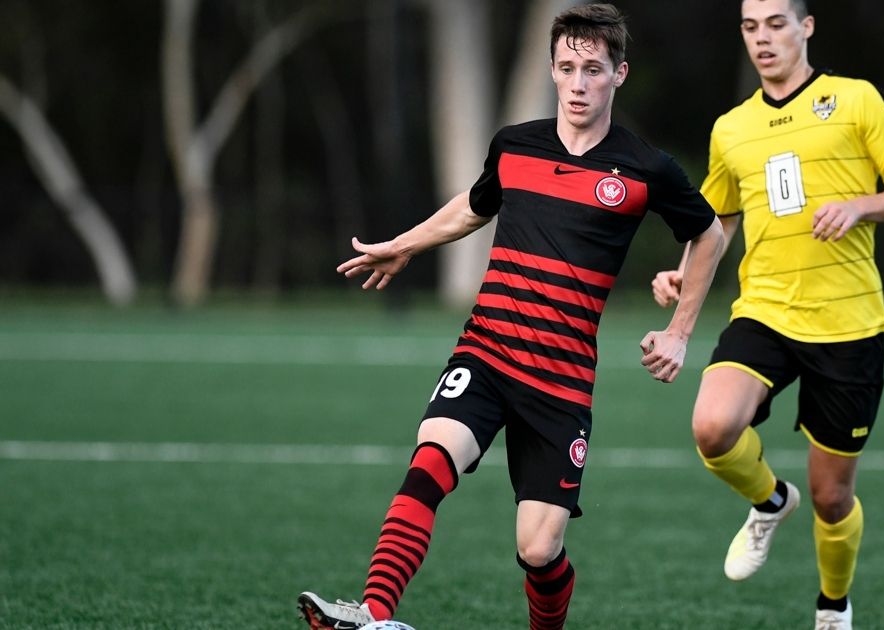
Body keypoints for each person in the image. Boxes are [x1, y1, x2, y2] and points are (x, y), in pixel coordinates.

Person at [297, 4, 724, 629]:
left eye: (594, 70)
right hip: (487, 350)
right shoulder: (515, 145)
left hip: (561, 379)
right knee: (431, 456)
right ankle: (373, 614)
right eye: (568, 67)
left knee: (538, 548)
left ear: (620, 74)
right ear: (553, 69)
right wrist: (406, 244)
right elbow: (473, 206)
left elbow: (709, 234)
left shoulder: (645, 168)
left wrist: (681, 332)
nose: (579, 83)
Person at [651, 1, 884, 628]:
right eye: (751, 27)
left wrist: (860, 207)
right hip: (766, 312)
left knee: (832, 498)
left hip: (849, 325)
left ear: (806, 27)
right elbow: (717, 221)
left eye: (777, 23)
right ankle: (768, 499)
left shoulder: (857, 100)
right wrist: (684, 271)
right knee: (712, 426)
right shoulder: (732, 128)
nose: (764, 38)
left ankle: (833, 606)